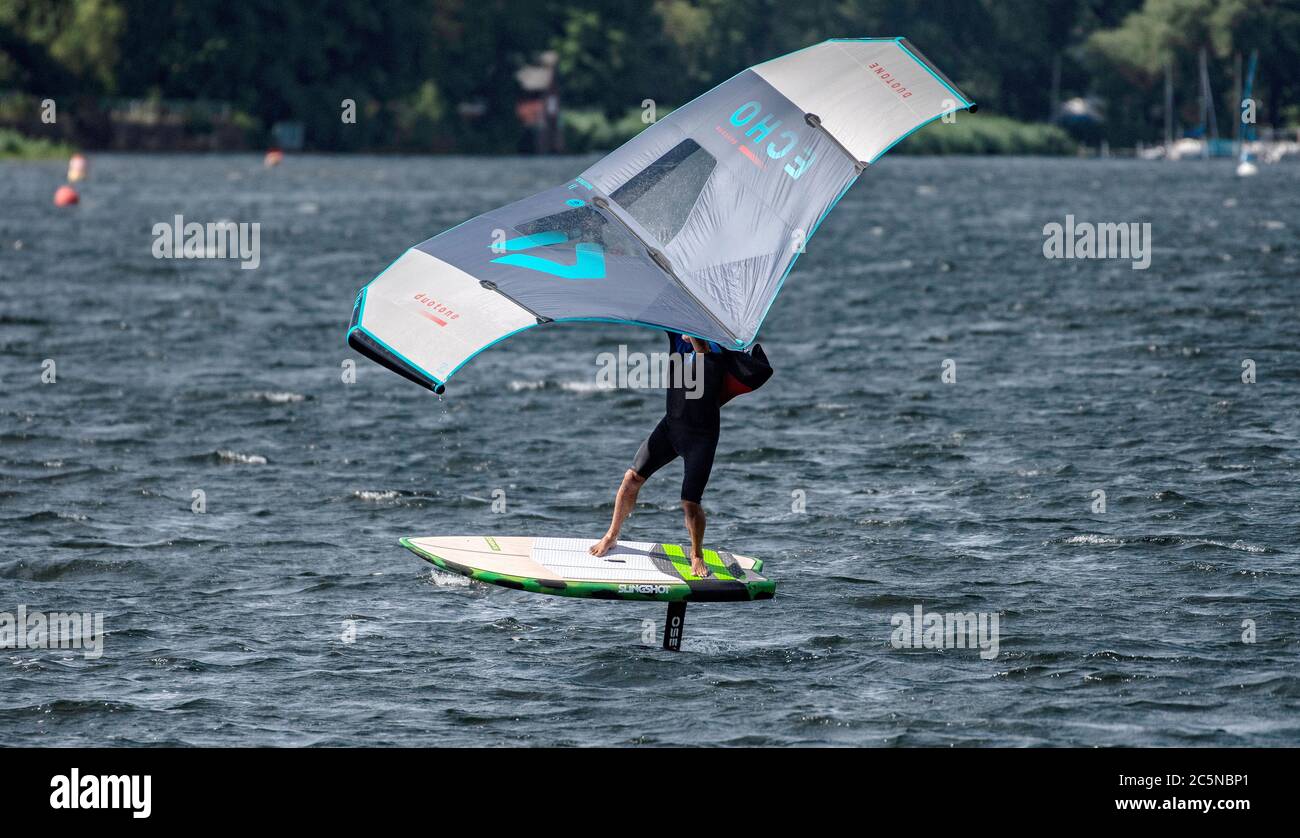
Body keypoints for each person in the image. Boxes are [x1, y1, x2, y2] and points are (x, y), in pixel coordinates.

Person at [589, 332, 729, 577]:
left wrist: (694, 334)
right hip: (671, 428)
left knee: (690, 502)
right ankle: (611, 535)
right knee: (631, 479)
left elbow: (702, 350)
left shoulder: (717, 350)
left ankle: (696, 555)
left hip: (701, 438)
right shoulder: (677, 340)